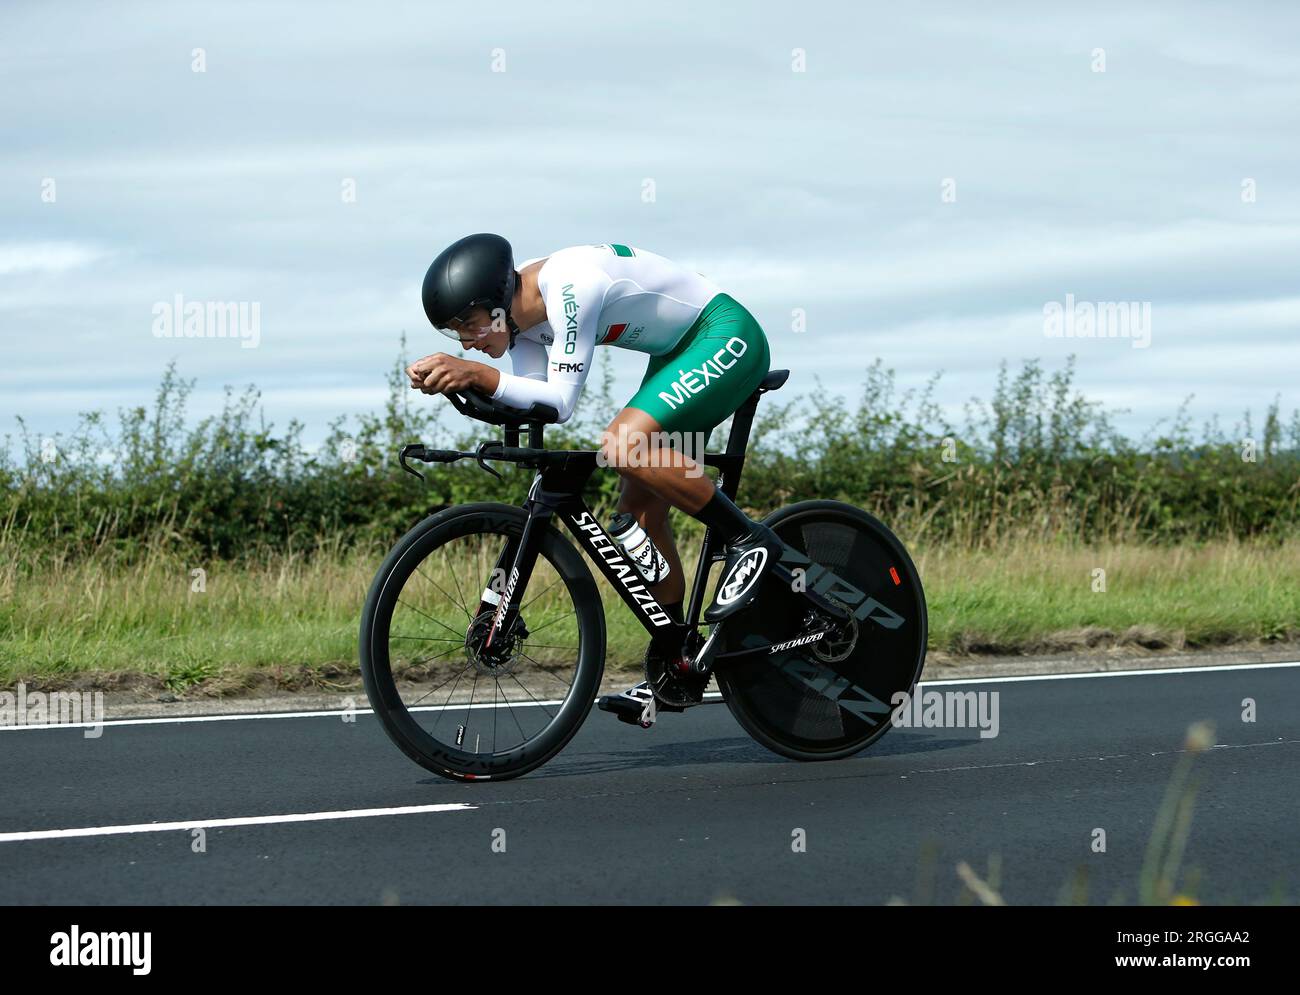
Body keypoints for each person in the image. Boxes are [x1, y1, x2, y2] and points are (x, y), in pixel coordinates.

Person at [407, 233, 780, 725]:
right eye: (456, 335)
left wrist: (473, 372)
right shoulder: (524, 324)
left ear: (498, 303)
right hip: (675, 356)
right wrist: (462, 388)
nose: (468, 341)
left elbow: (561, 400)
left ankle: (748, 540)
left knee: (621, 444)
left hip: (725, 337)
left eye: (469, 325)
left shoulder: (571, 286)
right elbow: (535, 401)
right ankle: (677, 659)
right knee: (637, 517)